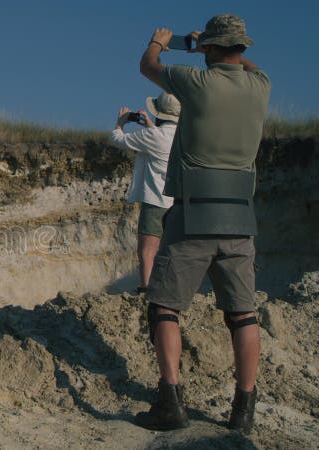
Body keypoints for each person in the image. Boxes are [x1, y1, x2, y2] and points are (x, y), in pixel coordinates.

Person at [136, 14, 270, 434]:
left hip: (193, 215)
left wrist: (161, 42)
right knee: (243, 315)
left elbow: (147, 66)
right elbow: (252, 69)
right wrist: (213, 48)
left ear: (210, 48)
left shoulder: (196, 82)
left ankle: (170, 401)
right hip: (240, 218)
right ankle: (243, 411)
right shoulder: (260, 87)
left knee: (164, 307)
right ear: (243, 48)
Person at [109, 92, 180, 293]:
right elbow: (162, 139)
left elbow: (117, 139)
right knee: (171, 248)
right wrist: (150, 126)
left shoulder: (154, 135)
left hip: (156, 199)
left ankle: (146, 289)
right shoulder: (183, 135)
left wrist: (120, 123)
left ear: (160, 113)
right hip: (177, 200)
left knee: (147, 249)